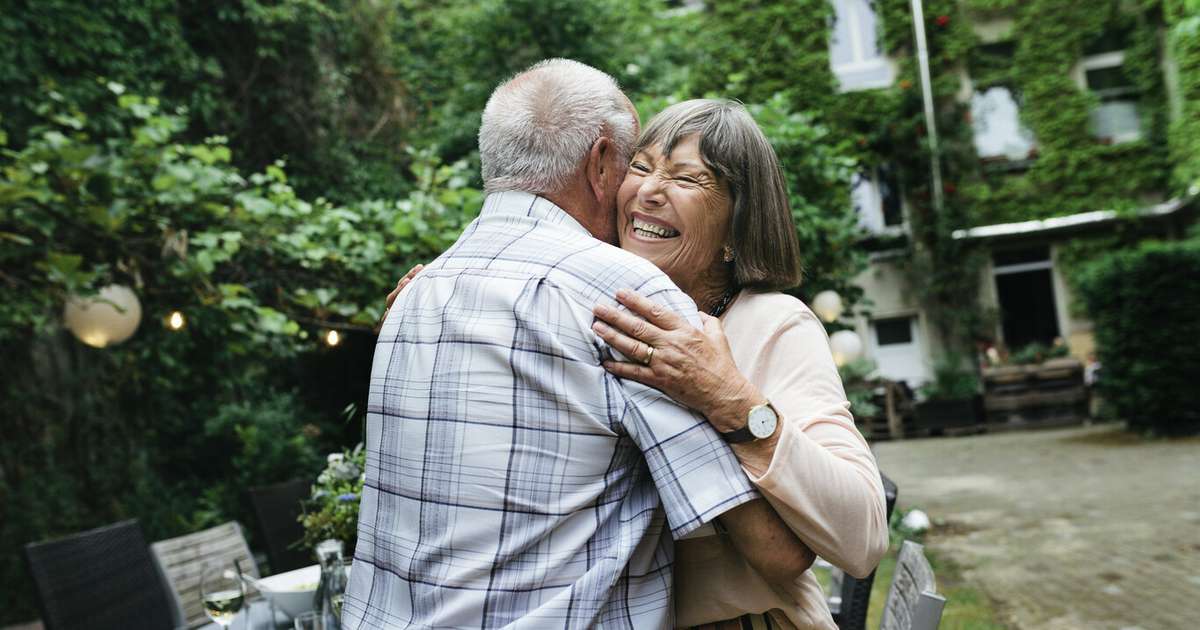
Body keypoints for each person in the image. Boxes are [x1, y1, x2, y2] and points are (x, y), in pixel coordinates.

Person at [344, 60, 814, 630]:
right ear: (599, 163)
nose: (640, 193)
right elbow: (778, 552)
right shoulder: (615, 291)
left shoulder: (416, 295)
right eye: (635, 166)